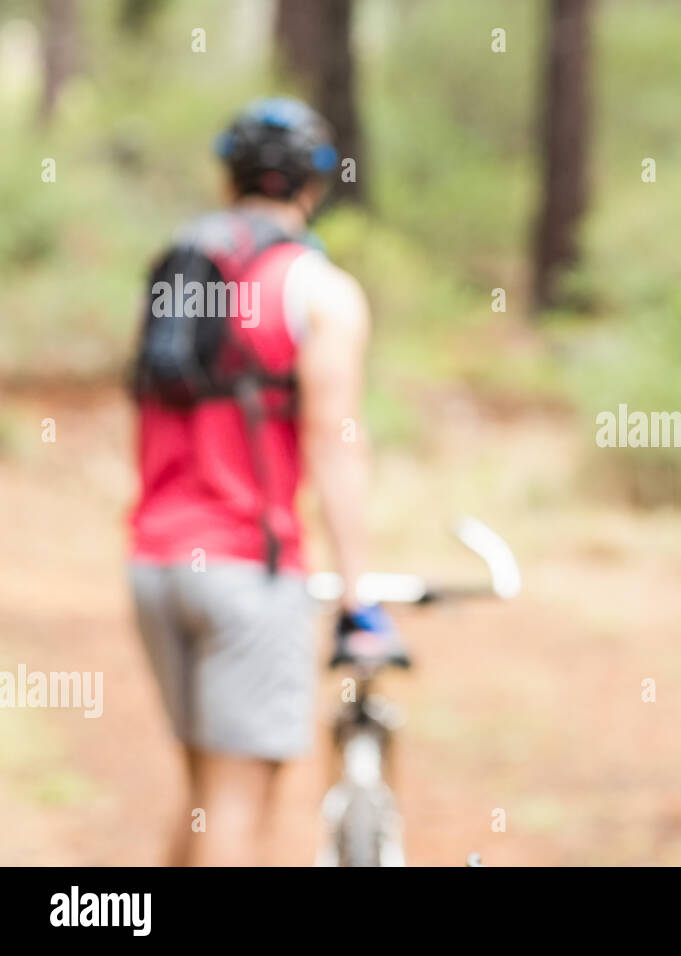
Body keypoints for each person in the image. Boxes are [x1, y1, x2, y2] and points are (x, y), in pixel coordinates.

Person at [126, 97, 405, 866]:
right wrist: (358, 597)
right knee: (240, 800)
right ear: (314, 186)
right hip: (247, 568)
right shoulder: (319, 289)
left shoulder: (175, 269)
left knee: (205, 792)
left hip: (154, 564)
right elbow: (336, 443)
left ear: (229, 179)